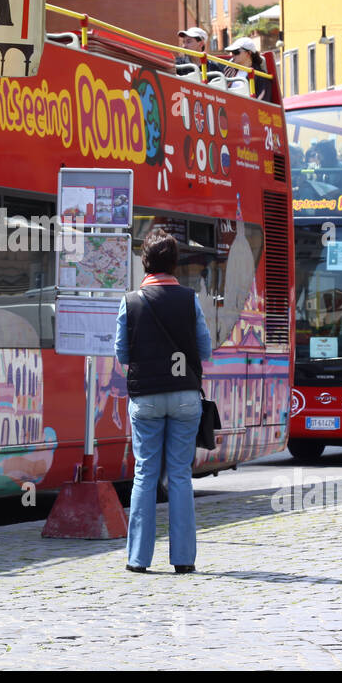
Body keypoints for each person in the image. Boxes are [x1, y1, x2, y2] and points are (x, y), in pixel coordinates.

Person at [114, 228, 212, 574]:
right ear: (175, 262)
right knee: (181, 476)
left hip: (146, 399)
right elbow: (205, 349)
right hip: (185, 396)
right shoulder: (189, 300)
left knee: (145, 474)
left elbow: (122, 354)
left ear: (145, 262)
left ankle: (138, 559)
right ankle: (183, 560)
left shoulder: (130, 301)